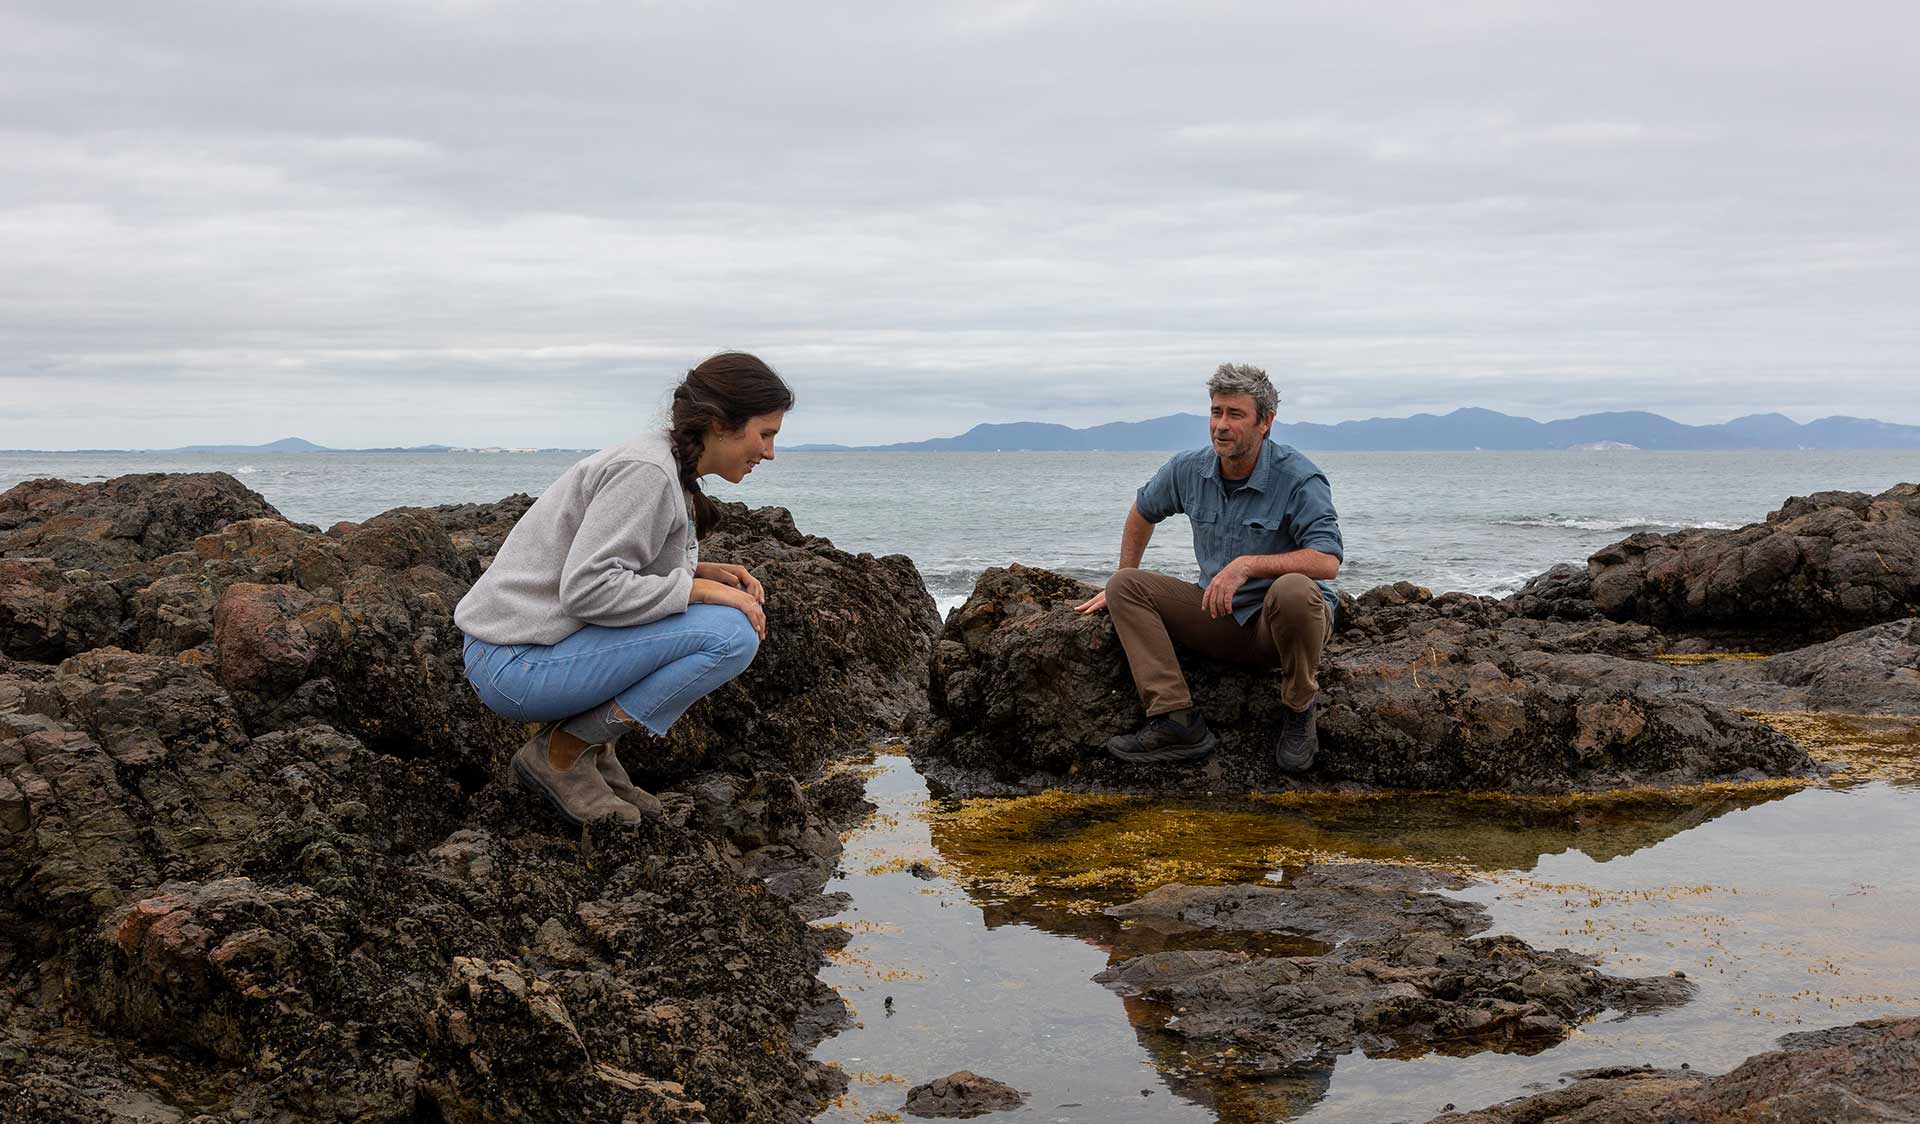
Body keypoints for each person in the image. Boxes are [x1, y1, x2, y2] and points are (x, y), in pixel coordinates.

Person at [455, 352, 791, 825]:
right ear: (720, 423)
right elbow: (588, 590)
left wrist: (701, 573)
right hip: (513, 663)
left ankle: (593, 751)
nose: (770, 452)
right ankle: (565, 752)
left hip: (532, 648)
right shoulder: (648, 471)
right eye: (766, 434)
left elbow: (616, 565)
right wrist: (698, 593)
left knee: (722, 620)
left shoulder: (668, 464)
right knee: (729, 634)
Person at [1074, 363, 1342, 771]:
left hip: (1283, 632)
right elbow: (1143, 511)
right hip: (1220, 619)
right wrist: (1117, 580)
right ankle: (1178, 720)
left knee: (1294, 589)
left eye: (1236, 415)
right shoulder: (1189, 468)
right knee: (1125, 586)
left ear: (1265, 422)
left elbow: (1327, 560)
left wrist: (1248, 566)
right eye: (1216, 412)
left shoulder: (1300, 478)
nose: (1221, 425)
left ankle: (1299, 709)